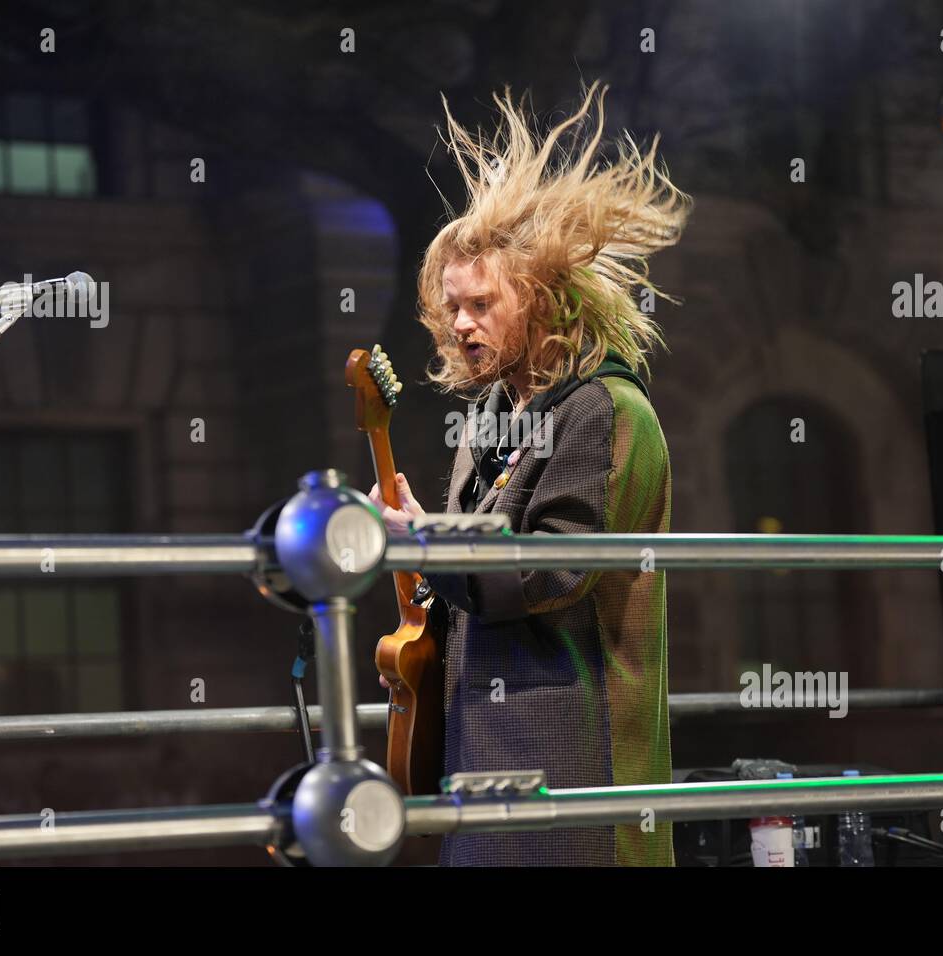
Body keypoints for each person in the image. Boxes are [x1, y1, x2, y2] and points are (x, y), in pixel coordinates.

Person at [370, 80, 691, 866]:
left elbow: (546, 572)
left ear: (543, 300)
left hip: (574, 762)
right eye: (452, 307)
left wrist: (424, 545)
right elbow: (477, 570)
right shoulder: (491, 414)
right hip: (483, 752)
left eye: (481, 304)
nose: (461, 324)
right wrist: (422, 542)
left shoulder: (604, 409)